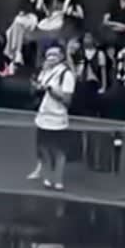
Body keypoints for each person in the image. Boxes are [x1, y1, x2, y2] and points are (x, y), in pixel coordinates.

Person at [29, 44, 75, 190]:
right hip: (43, 116)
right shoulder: (46, 71)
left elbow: (67, 99)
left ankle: (58, 180)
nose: (51, 57)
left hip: (58, 118)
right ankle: (48, 176)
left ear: (61, 56)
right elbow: (37, 89)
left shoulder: (66, 74)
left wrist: (51, 90)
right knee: (44, 148)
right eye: (48, 55)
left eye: (54, 54)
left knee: (58, 150)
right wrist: (37, 87)